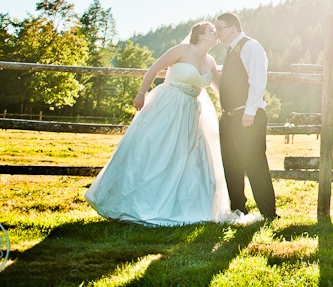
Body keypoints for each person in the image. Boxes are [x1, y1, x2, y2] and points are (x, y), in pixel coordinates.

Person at [85, 21, 242, 226]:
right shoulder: (182, 50)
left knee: (189, 158)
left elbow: (218, 87)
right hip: (167, 105)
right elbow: (155, 68)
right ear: (201, 35)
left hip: (191, 112)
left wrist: (241, 101)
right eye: (212, 31)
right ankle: (137, 201)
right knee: (155, 150)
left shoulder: (211, 61)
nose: (217, 33)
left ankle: (182, 204)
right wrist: (141, 93)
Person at [214, 12, 277, 221]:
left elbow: (258, 80)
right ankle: (238, 210)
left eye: (220, 28)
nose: (217, 33)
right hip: (229, 117)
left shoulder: (250, 46)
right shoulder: (231, 49)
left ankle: (269, 214)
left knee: (255, 164)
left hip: (247, 116)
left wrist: (250, 112)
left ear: (233, 27)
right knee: (231, 164)